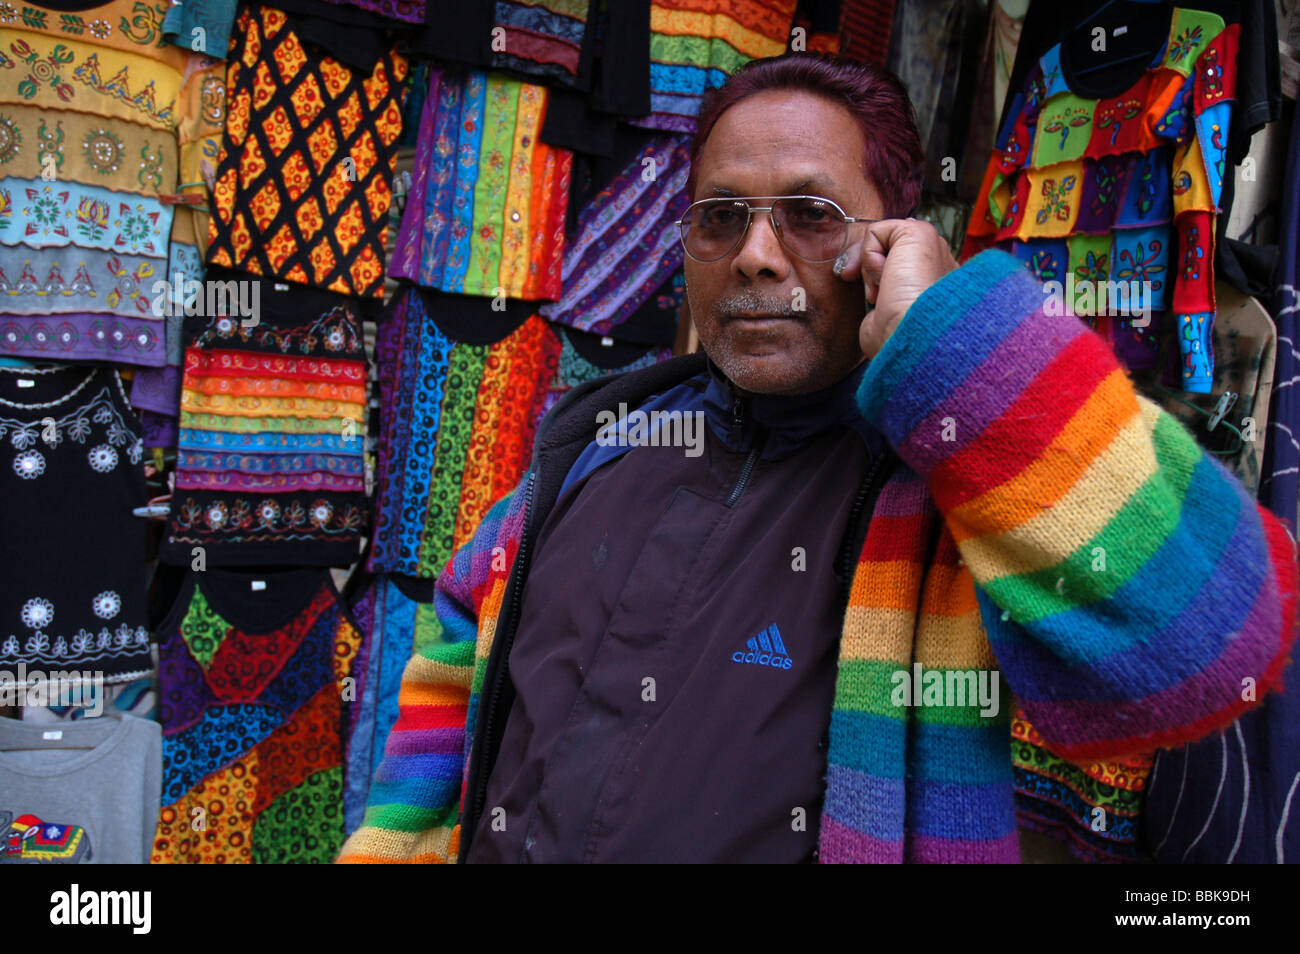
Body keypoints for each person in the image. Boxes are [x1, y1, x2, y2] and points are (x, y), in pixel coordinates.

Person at [338, 54, 1297, 864]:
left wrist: (942, 333)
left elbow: (1219, 640)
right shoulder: (602, 440)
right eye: (722, 217)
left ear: (894, 241)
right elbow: (454, 662)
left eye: (810, 213)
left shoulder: (960, 492)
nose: (757, 254)